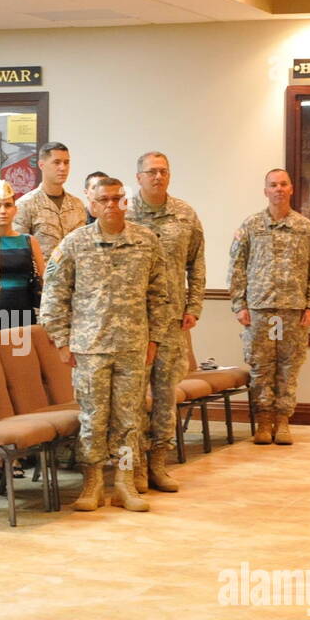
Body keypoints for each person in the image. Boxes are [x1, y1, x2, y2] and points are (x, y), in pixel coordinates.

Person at [40, 177, 167, 513]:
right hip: (89, 348)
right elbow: (53, 296)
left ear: (125, 202)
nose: (111, 205)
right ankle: (92, 482)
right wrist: (61, 342)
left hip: (132, 346)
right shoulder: (73, 243)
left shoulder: (146, 241)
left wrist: (154, 338)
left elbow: (159, 295)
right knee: (93, 417)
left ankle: (125, 482)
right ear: (92, 205)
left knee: (129, 419)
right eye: (104, 200)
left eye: (117, 199)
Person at [228, 168, 310, 445]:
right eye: (273, 185)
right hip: (258, 310)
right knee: (260, 367)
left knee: (288, 368)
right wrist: (239, 304)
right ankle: (263, 421)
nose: (279, 189)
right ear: (265, 191)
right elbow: (236, 267)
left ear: (291, 189)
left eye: (283, 184)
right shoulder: (250, 226)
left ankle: (282, 421)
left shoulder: (305, 228)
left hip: (293, 311)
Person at [127, 151, 205, 493]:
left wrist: (195, 305)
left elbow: (197, 264)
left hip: (171, 319)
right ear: (138, 177)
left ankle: (159, 462)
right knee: (131, 395)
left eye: (163, 171)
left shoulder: (185, 214)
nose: (158, 177)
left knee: (164, 394)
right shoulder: (124, 214)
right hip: (132, 321)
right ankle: (136, 466)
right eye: (151, 172)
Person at [0, 178, 44, 331]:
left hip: (23, 308)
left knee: (23, 354)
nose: (3, 211)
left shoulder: (29, 241)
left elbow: (44, 280)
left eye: (8, 205)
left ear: (15, 209)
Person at [13, 142, 87, 256]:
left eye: (66, 163)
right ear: (42, 165)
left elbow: (83, 246)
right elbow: (20, 252)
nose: (63, 168)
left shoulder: (77, 205)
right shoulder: (25, 205)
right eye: (56, 162)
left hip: (73, 272)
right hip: (42, 272)